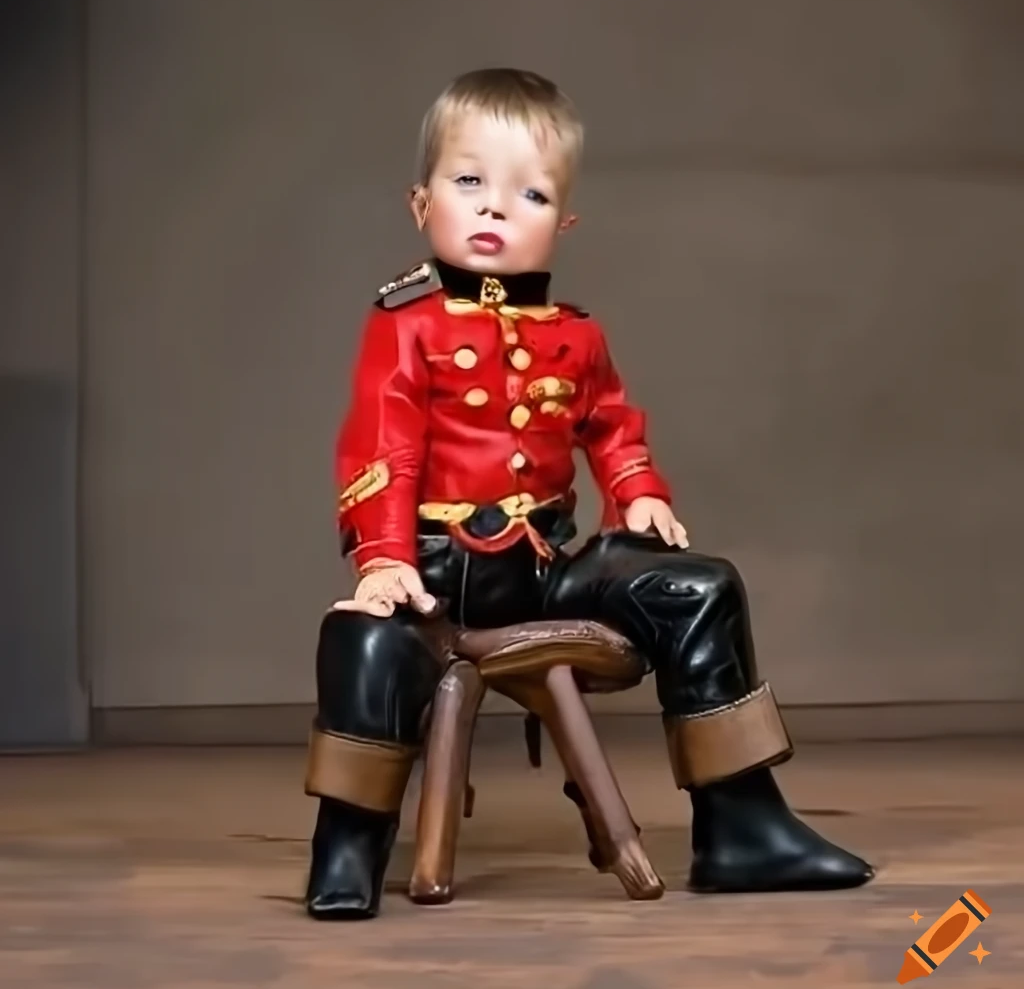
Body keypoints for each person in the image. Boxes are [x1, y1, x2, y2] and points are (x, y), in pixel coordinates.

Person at [303, 67, 873, 919]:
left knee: (700, 589)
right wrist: (382, 559)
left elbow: (611, 425)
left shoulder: (576, 335)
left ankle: (741, 824)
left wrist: (636, 491)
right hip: (433, 579)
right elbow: (380, 451)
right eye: (470, 183)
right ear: (421, 205)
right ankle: (348, 842)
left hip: (541, 568)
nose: (495, 208)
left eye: (527, 194)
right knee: (366, 647)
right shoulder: (405, 326)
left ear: (562, 224)